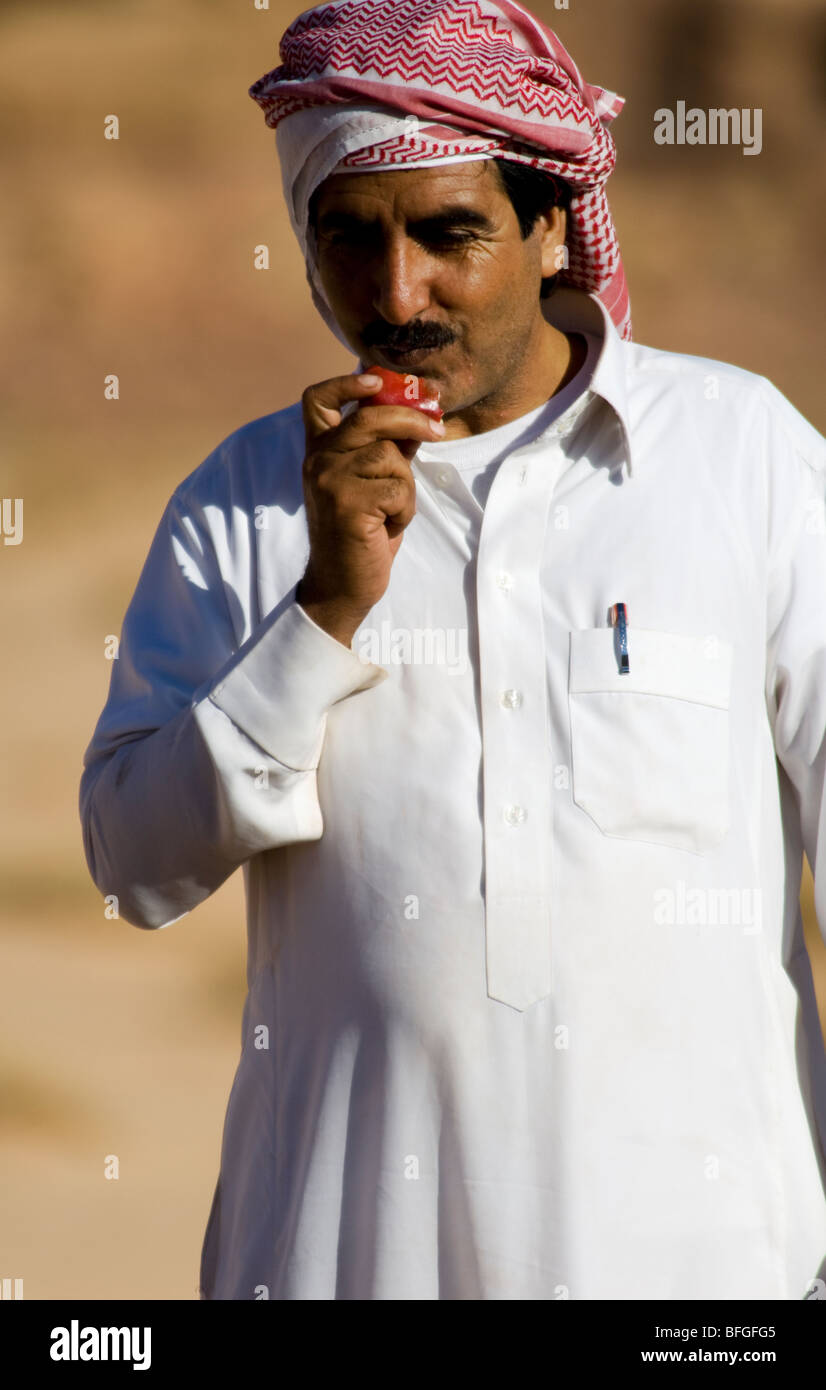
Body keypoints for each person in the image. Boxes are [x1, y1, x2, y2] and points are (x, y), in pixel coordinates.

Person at [78, 0, 826, 1300]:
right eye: (347, 240)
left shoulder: (739, 457)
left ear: (549, 229)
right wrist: (321, 609)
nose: (396, 293)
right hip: (336, 1259)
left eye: (448, 234)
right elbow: (134, 865)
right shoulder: (246, 502)